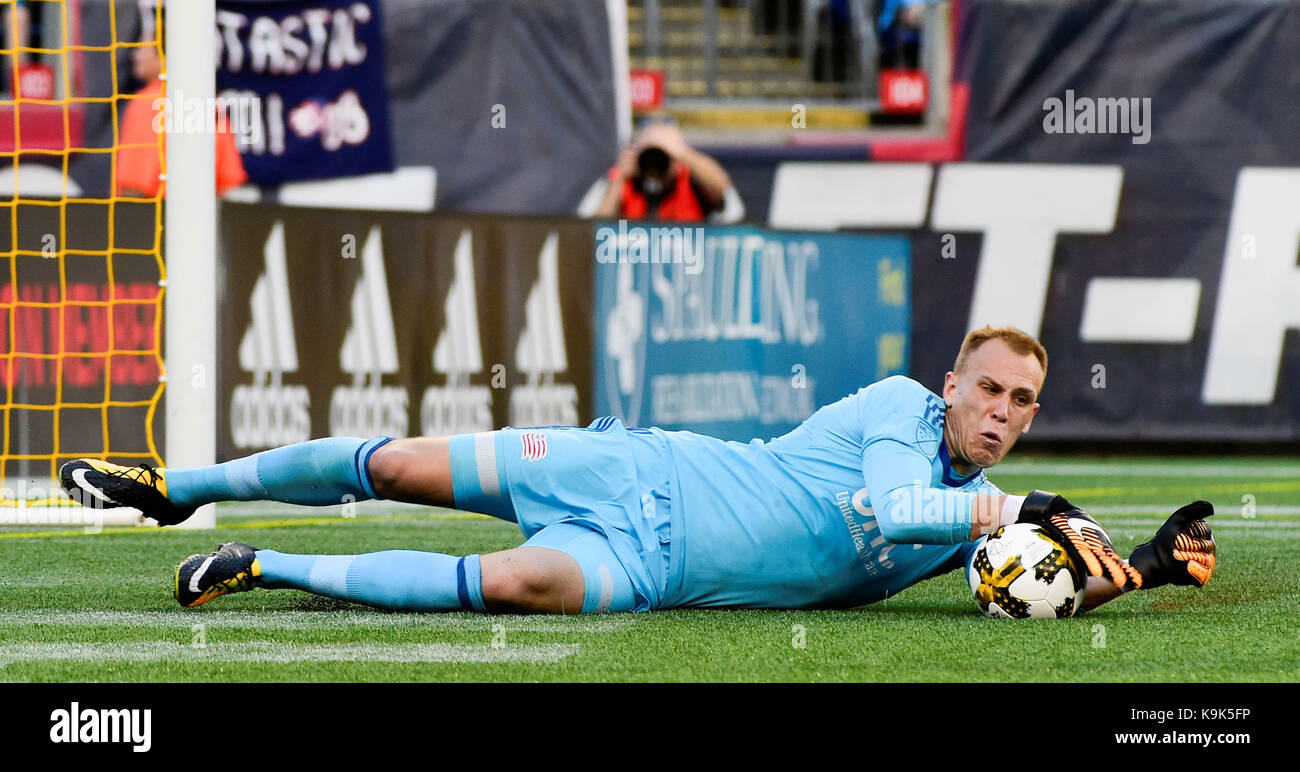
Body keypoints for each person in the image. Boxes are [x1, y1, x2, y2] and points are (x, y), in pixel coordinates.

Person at [63, 326, 1218, 614]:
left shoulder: (979, 518)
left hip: (647, 564)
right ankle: (180, 483)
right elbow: (886, 500)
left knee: (518, 587)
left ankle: (256, 562)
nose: (1003, 414)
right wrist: (1016, 501)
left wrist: (1149, 568)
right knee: (405, 460)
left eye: (1023, 404)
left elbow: (1050, 567)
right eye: (991, 390)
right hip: (635, 472)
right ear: (954, 380)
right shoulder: (898, 410)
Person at [113, 39, 249, 199]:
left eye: (143, 47)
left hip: (156, 216)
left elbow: (133, 185)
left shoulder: (149, 101)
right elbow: (226, 180)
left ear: (163, 55)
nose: (135, 55)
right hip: (203, 216)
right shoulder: (208, 101)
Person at [592, 119, 743, 223]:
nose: (655, 163)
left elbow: (723, 189)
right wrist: (618, 180)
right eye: (650, 154)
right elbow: (596, 228)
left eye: (664, 154)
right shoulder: (624, 182)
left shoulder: (692, 180)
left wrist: (683, 153)